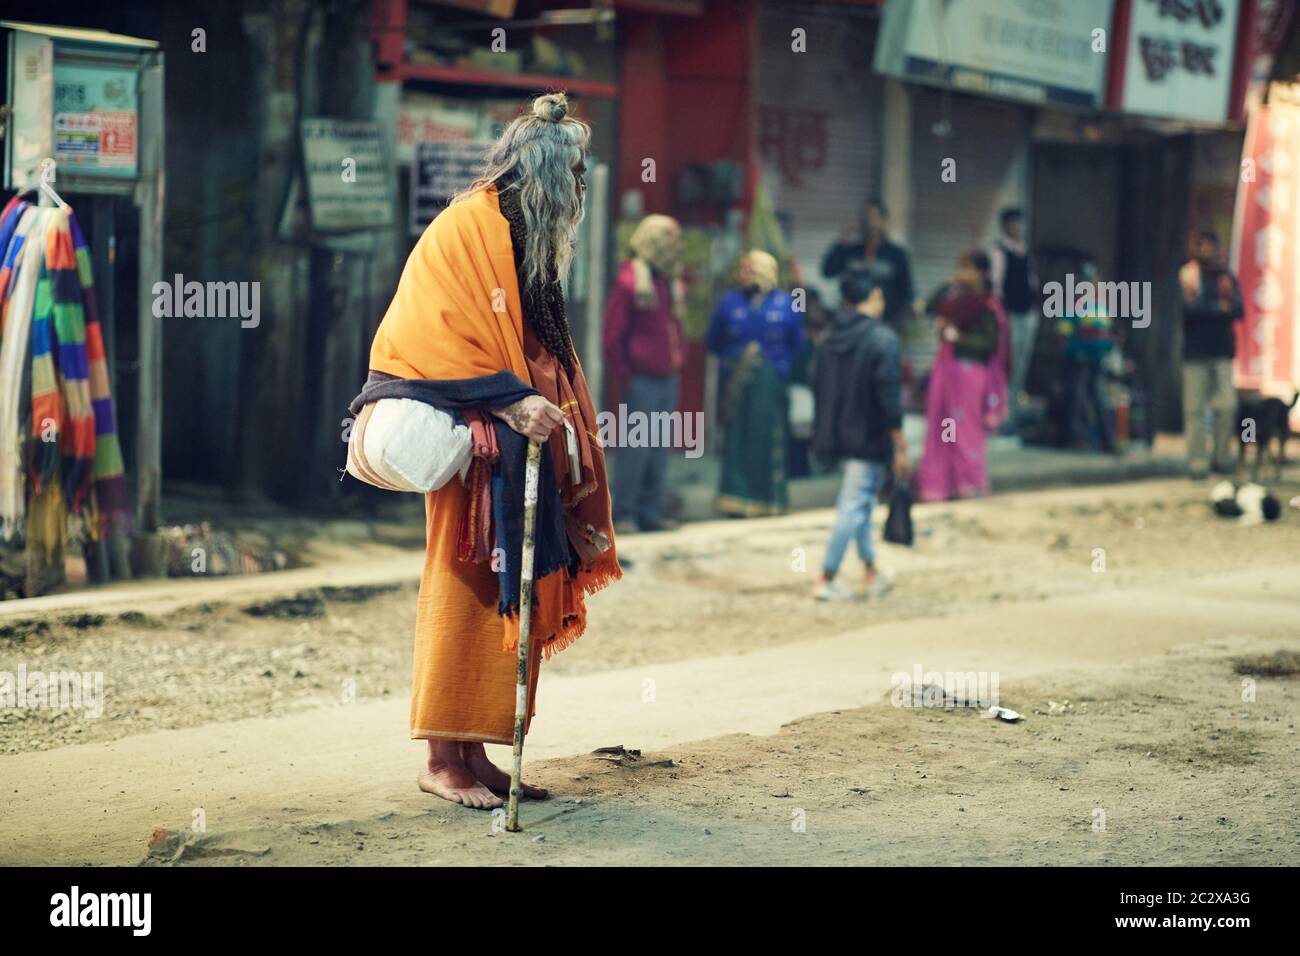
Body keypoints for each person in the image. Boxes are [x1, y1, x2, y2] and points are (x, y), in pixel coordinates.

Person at [357, 93, 620, 811]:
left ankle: (477, 754)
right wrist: (511, 397)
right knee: (462, 585)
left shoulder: (521, 233)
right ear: (546, 173)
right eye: (579, 172)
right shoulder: (468, 226)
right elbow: (422, 340)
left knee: (510, 591)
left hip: (516, 448)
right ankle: (441, 759)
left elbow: (541, 344)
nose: (584, 186)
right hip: (473, 442)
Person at [810, 269, 910, 601]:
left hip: (837, 434)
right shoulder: (883, 340)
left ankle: (870, 570)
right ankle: (827, 576)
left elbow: (818, 385)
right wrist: (900, 445)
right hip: (868, 437)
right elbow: (889, 397)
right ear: (876, 296)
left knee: (863, 502)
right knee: (852, 504)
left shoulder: (830, 337)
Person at [602, 214, 685, 533]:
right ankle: (624, 515)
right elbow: (612, 336)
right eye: (671, 239)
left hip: (668, 378)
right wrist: (626, 374)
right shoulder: (630, 281)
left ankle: (650, 513)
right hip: (642, 380)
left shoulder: (667, 281)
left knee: (659, 448)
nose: (677, 246)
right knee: (636, 450)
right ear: (655, 241)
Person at [706, 250, 803, 516]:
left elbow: (796, 344)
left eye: (749, 270)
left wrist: (777, 368)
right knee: (737, 441)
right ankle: (735, 500)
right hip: (738, 384)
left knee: (767, 439)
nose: (742, 275)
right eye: (742, 270)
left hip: (771, 387)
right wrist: (735, 359)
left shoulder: (786, 303)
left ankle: (768, 500)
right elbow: (713, 342)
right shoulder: (729, 303)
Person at [915, 250, 1009, 502]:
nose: (962, 273)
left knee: (964, 432)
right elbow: (928, 308)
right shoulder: (955, 303)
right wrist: (948, 284)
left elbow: (990, 344)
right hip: (946, 373)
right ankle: (941, 485)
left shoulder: (987, 306)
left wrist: (958, 338)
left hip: (969, 375)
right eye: (960, 267)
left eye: (968, 268)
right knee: (942, 430)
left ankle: (969, 484)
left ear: (982, 273)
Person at [1180, 229, 1244, 478]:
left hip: (1222, 353)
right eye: (1202, 246)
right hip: (1194, 353)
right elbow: (1186, 310)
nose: (1207, 251)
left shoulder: (1227, 278)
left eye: (1211, 246)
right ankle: (1197, 463)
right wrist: (1218, 309)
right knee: (1194, 410)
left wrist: (1207, 310)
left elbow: (1239, 310)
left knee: (1227, 405)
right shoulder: (1188, 276)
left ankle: (1221, 457)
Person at [821, 198, 915, 332]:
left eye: (874, 217)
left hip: (884, 325)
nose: (869, 222)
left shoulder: (896, 255)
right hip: (851, 325)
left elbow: (906, 293)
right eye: (865, 217)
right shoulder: (850, 251)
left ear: (884, 221)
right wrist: (840, 243)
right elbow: (827, 271)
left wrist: (892, 321)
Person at [1056, 263, 1117, 452]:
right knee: (1077, 399)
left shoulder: (1100, 306)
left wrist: (1107, 351)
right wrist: (1076, 352)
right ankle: (1076, 439)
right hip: (1079, 360)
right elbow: (1063, 334)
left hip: (1095, 361)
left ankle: (1107, 441)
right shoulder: (1073, 305)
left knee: (1098, 399)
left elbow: (1105, 335)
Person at [987, 207, 1038, 429]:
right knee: (1004, 365)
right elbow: (995, 286)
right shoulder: (999, 252)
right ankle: (999, 416)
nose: (1019, 228)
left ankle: (1012, 417)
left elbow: (1033, 283)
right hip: (1008, 317)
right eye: (1015, 223)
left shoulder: (1025, 252)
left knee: (1020, 367)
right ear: (1005, 226)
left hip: (1027, 316)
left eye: (1021, 223)